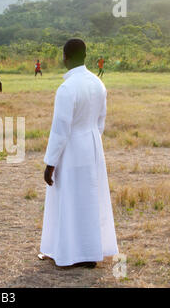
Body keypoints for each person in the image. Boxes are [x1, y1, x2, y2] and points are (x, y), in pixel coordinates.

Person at [39, 39, 118, 268]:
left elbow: (60, 130)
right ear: (85, 55)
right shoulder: (97, 83)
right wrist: (92, 141)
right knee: (89, 200)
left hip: (72, 148)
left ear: (65, 57)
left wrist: (50, 163)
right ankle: (89, 254)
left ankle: (66, 254)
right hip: (92, 145)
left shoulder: (67, 88)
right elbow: (100, 122)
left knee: (68, 200)